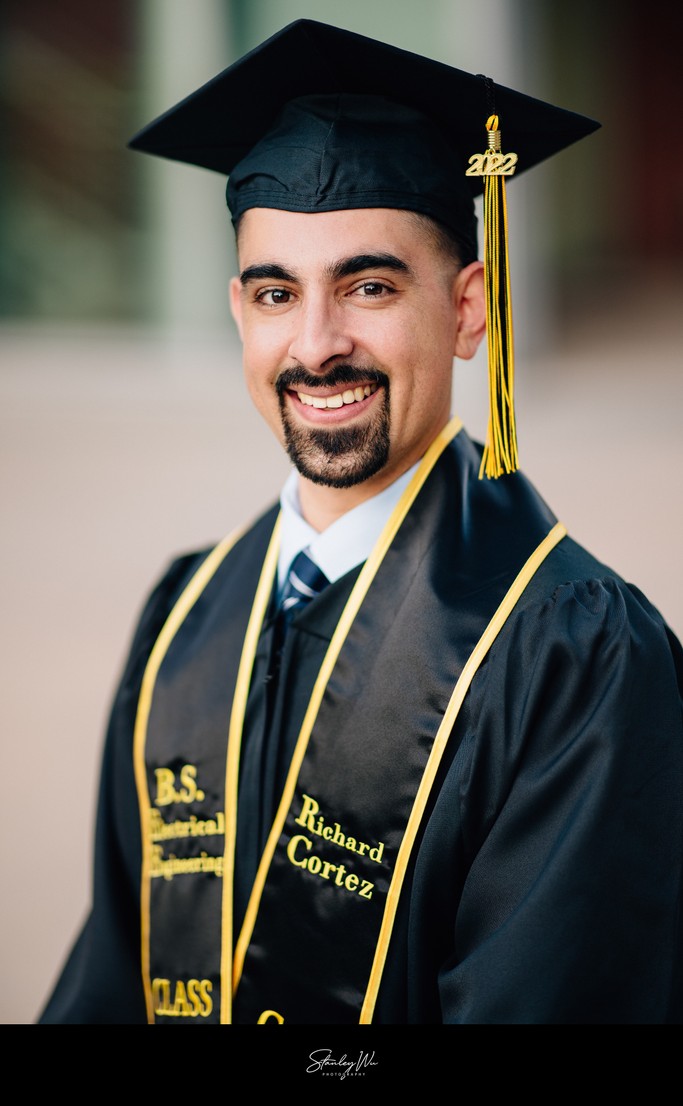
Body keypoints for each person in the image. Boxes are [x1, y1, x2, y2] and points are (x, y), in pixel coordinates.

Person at [39, 19, 683, 1026]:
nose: (316, 344)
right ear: (239, 314)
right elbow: (115, 978)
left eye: (368, 286)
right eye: (275, 293)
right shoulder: (185, 620)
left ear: (467, 309)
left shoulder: (572, 656)